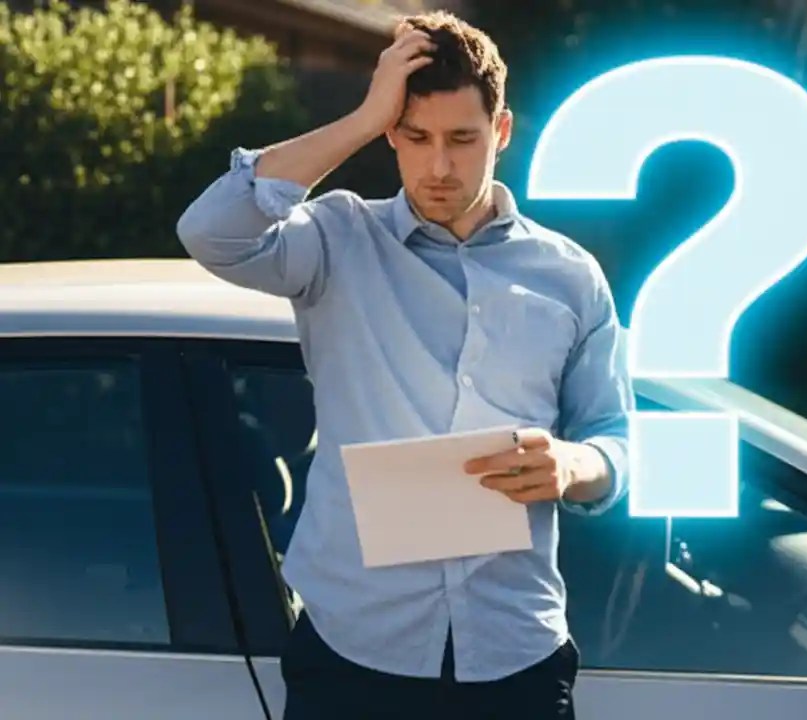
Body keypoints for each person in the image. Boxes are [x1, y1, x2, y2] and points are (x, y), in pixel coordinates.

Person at [176, 10, 632, 720]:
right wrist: (363, 118)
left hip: (516, 653)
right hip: (354, 654)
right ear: (392, 133)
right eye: (416, 137)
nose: (439, 166)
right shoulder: (336, 240)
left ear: (501, 132)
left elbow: (615, 437)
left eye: (462, 139)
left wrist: (573, 465)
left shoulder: (570, 276)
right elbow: (210, 231)